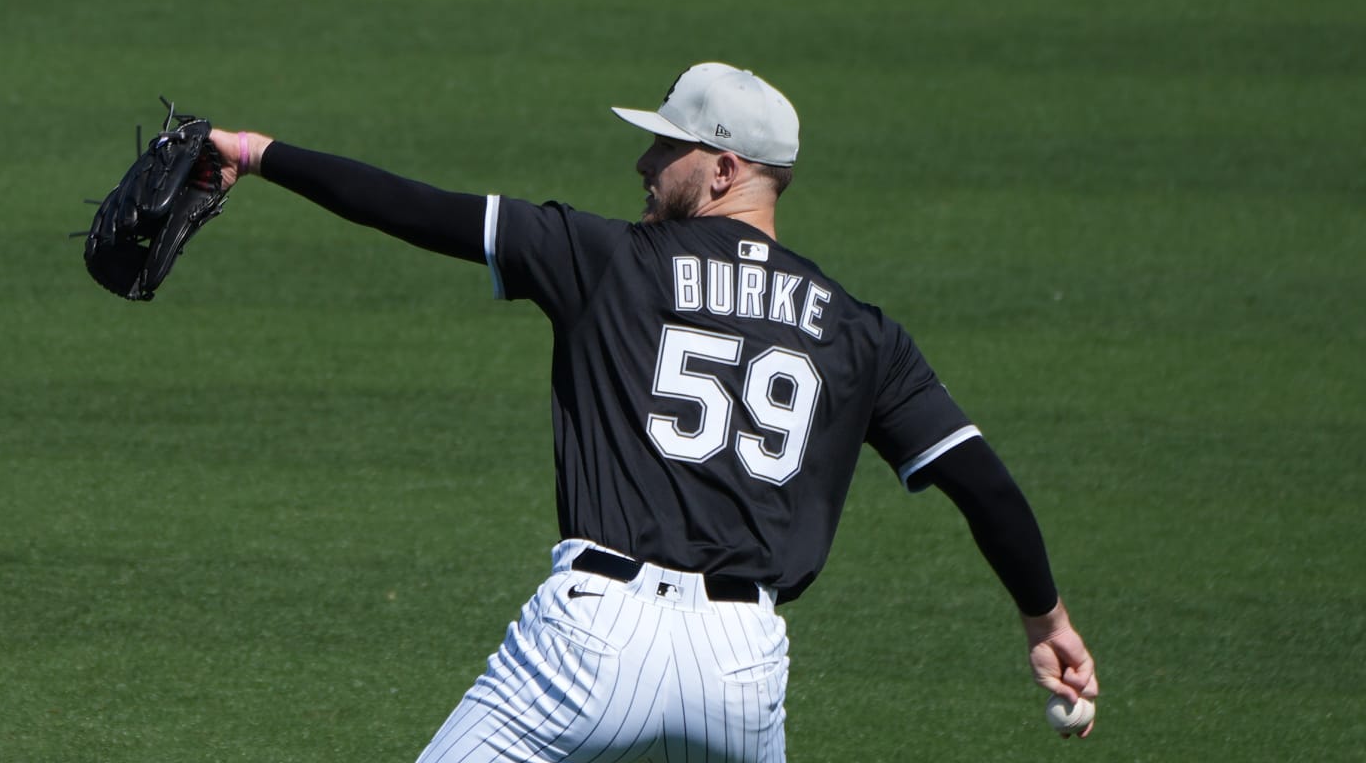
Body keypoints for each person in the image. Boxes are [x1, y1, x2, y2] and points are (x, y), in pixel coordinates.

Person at [205, 61, 1098, 762]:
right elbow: (980, 481)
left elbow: (416, 210)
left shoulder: (604, 258)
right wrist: (1046, 622)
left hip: (592, 639)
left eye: (664, 148)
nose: (642, 161)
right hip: (740, 668)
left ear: (723, 168)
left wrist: (254, 151)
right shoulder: (860, 332)